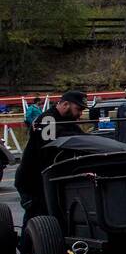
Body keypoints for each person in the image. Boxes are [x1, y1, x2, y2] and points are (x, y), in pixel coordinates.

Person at [15, 90, 88, 219]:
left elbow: (83, 138)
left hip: (49, 179)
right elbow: (54, 143)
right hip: (33, 182)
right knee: (38, 219)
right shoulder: (48, 119)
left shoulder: (67, 121)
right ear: (65, 104)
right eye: (78, 109)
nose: (80, 114)